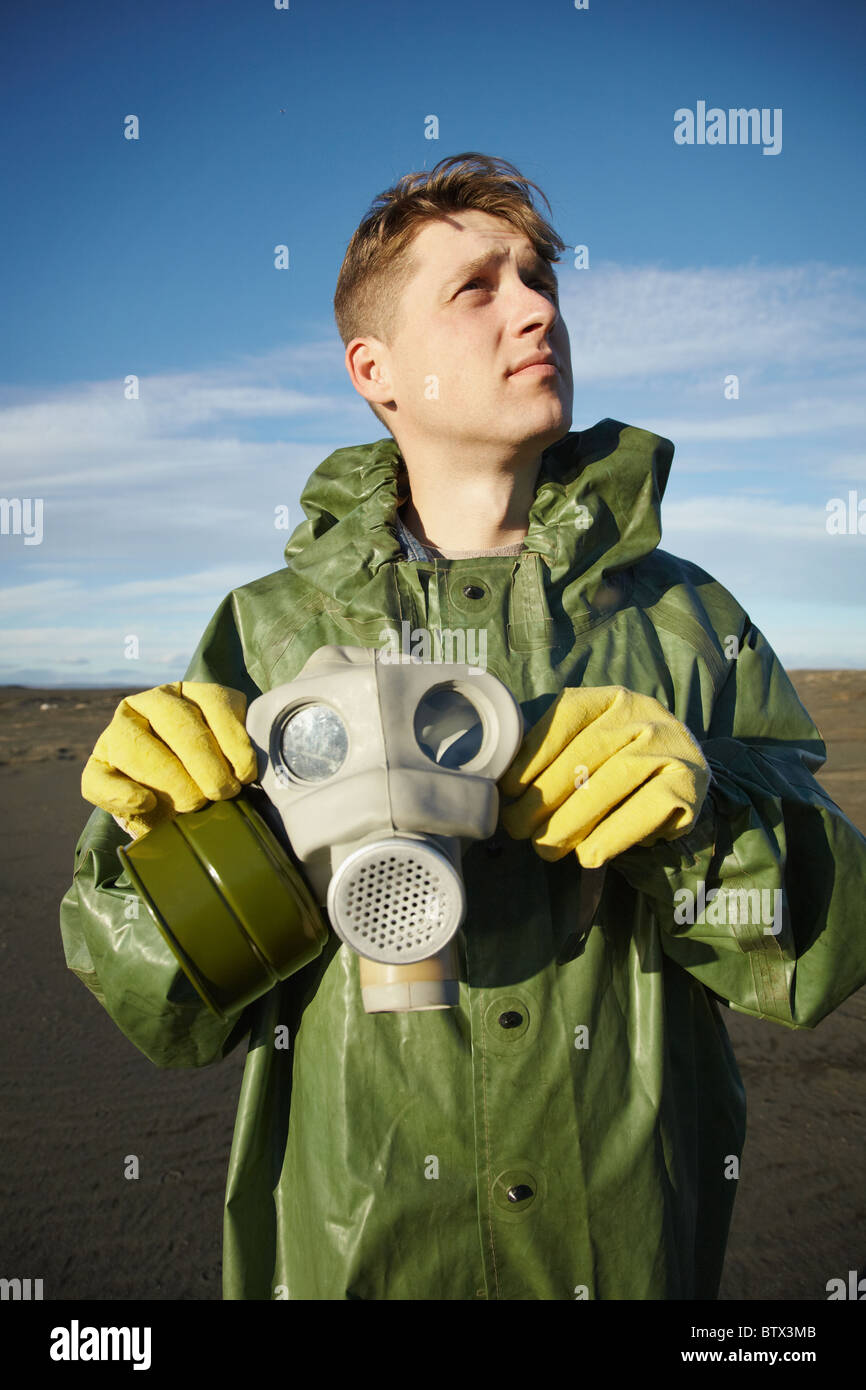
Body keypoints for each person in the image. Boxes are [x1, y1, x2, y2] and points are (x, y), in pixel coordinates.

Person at [60, 152, 866, 1301]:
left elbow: (820, 954)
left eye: (538, 277)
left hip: (625, 1254)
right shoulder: (266, 631)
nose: (536, 305)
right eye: (476, 287)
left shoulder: (684, 619)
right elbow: (164, 1009)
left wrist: (709, 819)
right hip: (356, 1254)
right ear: (374, 370)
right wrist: (144, 862)